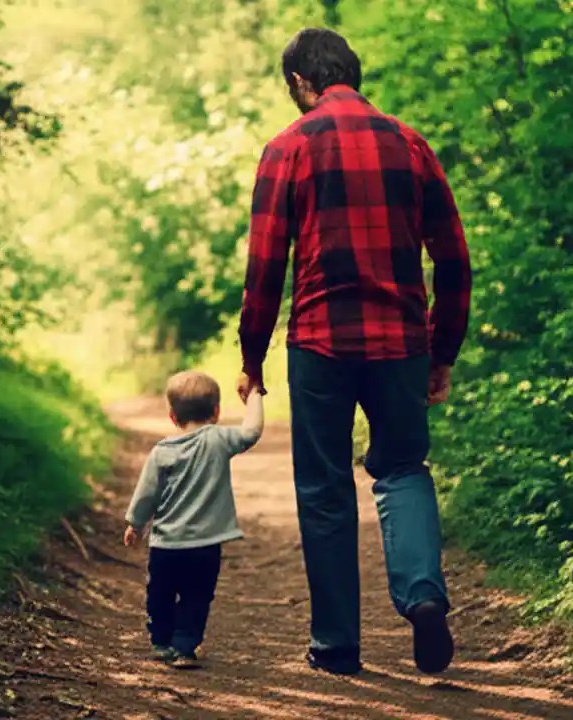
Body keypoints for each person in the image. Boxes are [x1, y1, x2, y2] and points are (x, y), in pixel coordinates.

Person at [236, 28, 472, 676]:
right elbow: (452, 258)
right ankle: (423, 598)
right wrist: (442, 349)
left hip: (320, 344)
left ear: (298, 83)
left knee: (324, 489)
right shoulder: (410, 144)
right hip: (401, 343)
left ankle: (337, 647)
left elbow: (265, 268)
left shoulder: (288, 148)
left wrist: (252, 358)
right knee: (402, 468)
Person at [123, 370, 265, 669]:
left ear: (172, 416)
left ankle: (161, 641)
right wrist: (254, 395)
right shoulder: (219, 440)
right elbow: (251, 432)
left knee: (159, 594)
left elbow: (146, 494)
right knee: (197, 597)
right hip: (205, 546)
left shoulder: (161, 452)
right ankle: (184, 647)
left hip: (166, 546)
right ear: (216, 412)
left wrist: (135, 524)